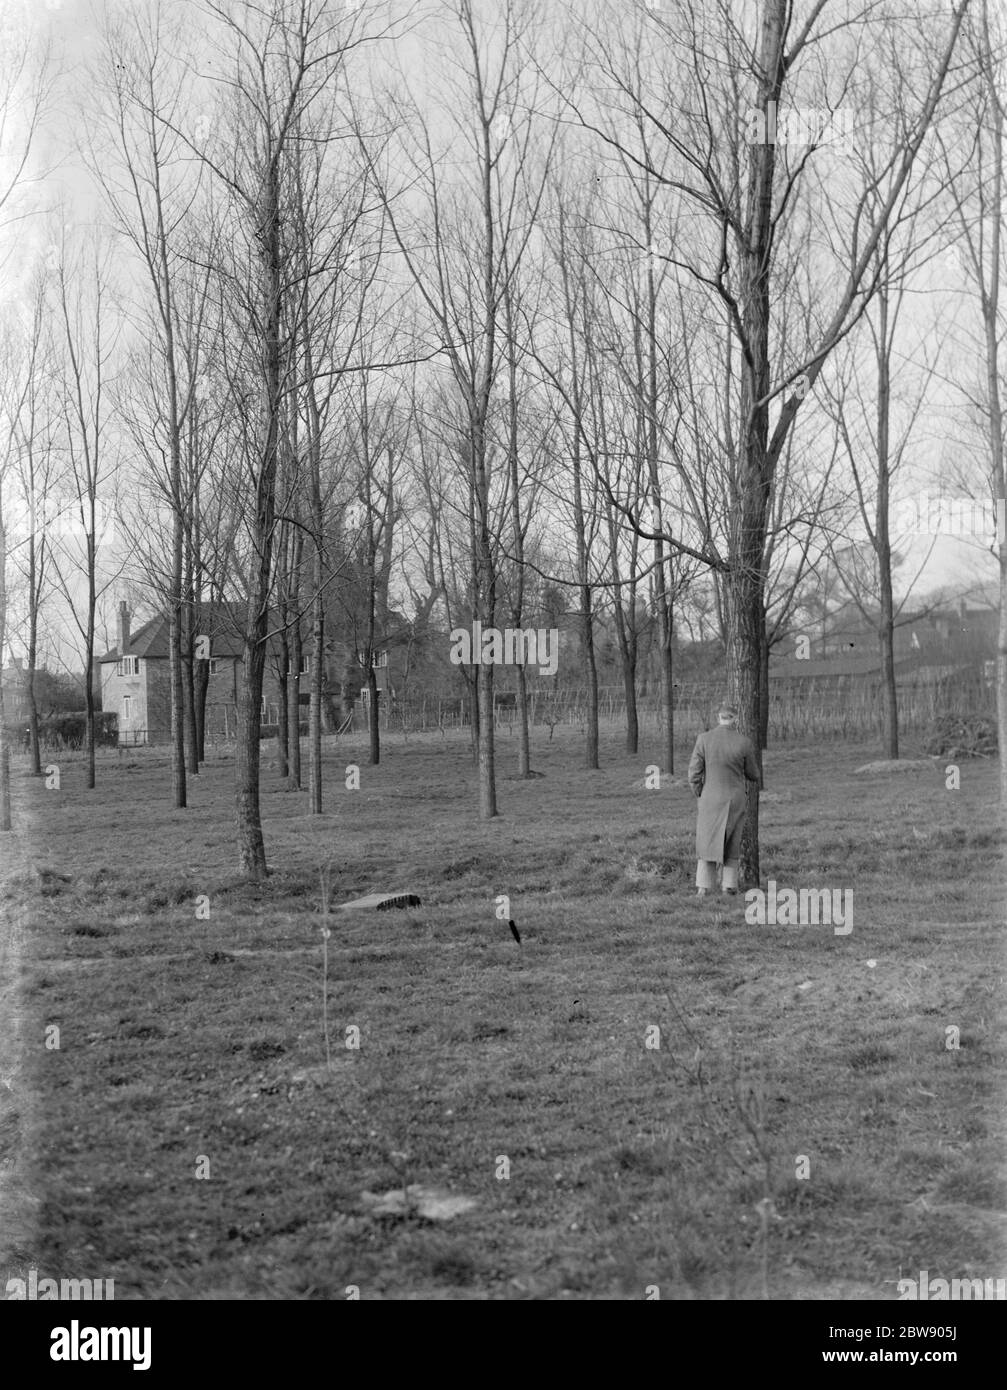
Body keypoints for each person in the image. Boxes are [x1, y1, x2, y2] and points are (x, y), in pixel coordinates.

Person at [688, 702, 761, 896]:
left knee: (707, 841)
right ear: (735, 719)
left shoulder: (703, 739)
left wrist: (700, 793)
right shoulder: (744, 742)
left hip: (710, 798)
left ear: (718, 718)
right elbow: (753, 774)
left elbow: (693, 774)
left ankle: (703, 887)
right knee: (732, 843)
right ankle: (729, 886)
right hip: (735, 799)